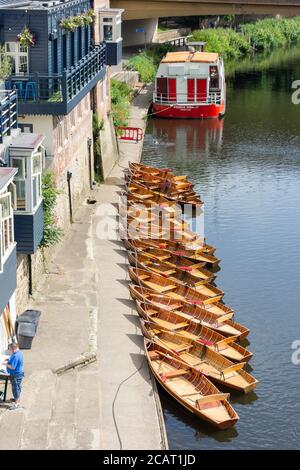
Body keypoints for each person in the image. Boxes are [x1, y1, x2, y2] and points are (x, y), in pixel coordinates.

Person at [3, 342, 24, 410]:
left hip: (16, 374)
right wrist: (9, 360)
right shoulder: (19, 352)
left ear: (13, 348)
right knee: (18, 387)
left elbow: (12, 367)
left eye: (9, 349)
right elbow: (15, 360)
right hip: (19, 373)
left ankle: (16, 403)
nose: (9, 350)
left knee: (15, 389)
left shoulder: (15, 356)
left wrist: (5, 364)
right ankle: (16, 399)